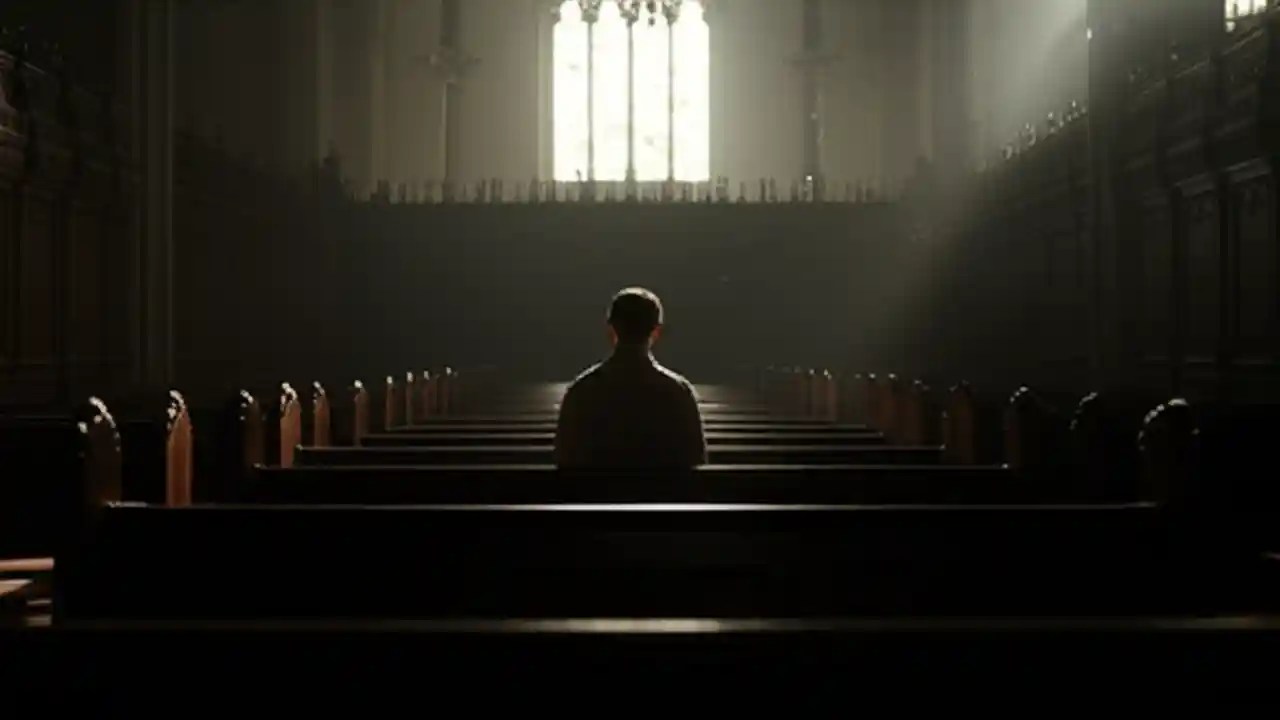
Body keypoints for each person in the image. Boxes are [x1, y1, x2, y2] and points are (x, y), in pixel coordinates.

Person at [554, 287, 707, 469]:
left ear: (612, 329)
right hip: (662, 496)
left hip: (597, 496)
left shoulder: (581, 390)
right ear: (656, 331)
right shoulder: (678, 391)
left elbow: (564, 458)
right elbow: (696, 459)